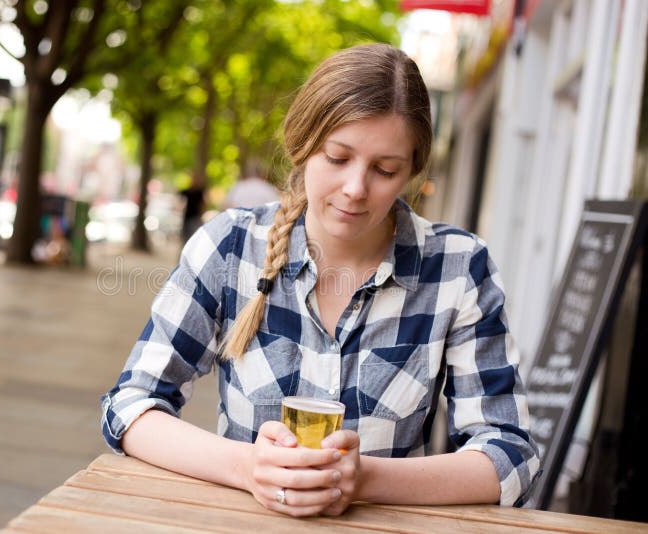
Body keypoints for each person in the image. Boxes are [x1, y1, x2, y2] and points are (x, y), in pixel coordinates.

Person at [101, 43, 540, 517]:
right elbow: (130, 408)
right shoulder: (229, 246)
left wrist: (365, 478)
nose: (355, 188)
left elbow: (510, 456)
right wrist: (248, 467)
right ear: (301, 144)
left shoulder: (457, 266)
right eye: (337, 158)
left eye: (385, 169)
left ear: (412, 171)